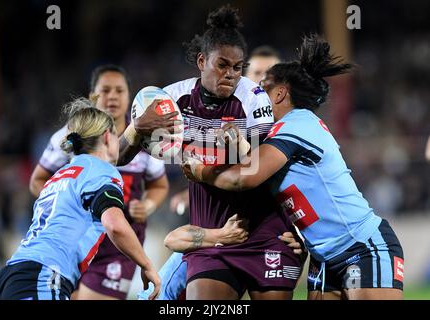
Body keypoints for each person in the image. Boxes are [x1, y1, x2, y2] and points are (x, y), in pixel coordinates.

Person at [184, 34, 404, 300]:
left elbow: (245, 179)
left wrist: (199, 171)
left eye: (261, 88)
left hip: (360, 244)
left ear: (279, 94)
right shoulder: (277, 132)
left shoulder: (298, 123)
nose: (252, 94)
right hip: (323, 257)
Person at [123, 5, 303, 300]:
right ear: (202, 60)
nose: (231, 74)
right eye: (222, 65)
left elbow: (258, 172)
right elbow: (119, 158)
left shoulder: (252, 98)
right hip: (211, 237)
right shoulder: (171, 100)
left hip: (265, 233)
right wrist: (136, 128)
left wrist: (300, 228)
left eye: (237, 67)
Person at [0, 99, 161, 300]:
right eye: (116, 134)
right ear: (107, 137)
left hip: (12, 275)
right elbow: (114, 224)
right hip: (44, 276)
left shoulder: (61, 174)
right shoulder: (101, 169)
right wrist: (147, 265)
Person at [29, 65, 169, 300]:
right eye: (105, 90)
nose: (112, 96)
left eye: (119, 90)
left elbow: (159, 185)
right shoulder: (71, 135)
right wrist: (66, 205)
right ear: (92, 96)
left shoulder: (147, 138)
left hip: (118, 245)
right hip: (76, 240)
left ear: (129, 96)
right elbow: (38, 180)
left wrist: (147, 206)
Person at [169, 45, 281, 216]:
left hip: (267, 216)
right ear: (246, 76)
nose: (263, 81)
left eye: (271, 75)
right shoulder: (229, 109)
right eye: (258, 73)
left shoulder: (287, 125)